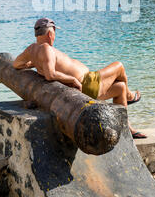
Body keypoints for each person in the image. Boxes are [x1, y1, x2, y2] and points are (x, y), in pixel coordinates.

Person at [13, 18, 147, 139]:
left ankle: (127, 127)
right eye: (54, 33)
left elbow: (16, 64)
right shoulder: (47, 49)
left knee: (120, 88)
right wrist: (72, 79)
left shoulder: (31, 49)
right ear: (50, 33)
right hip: (86, 84)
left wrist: (33, 63)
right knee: (119, 66)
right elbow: (50, 74)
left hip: (88, 84)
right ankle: (130, 96)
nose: (55, 36)